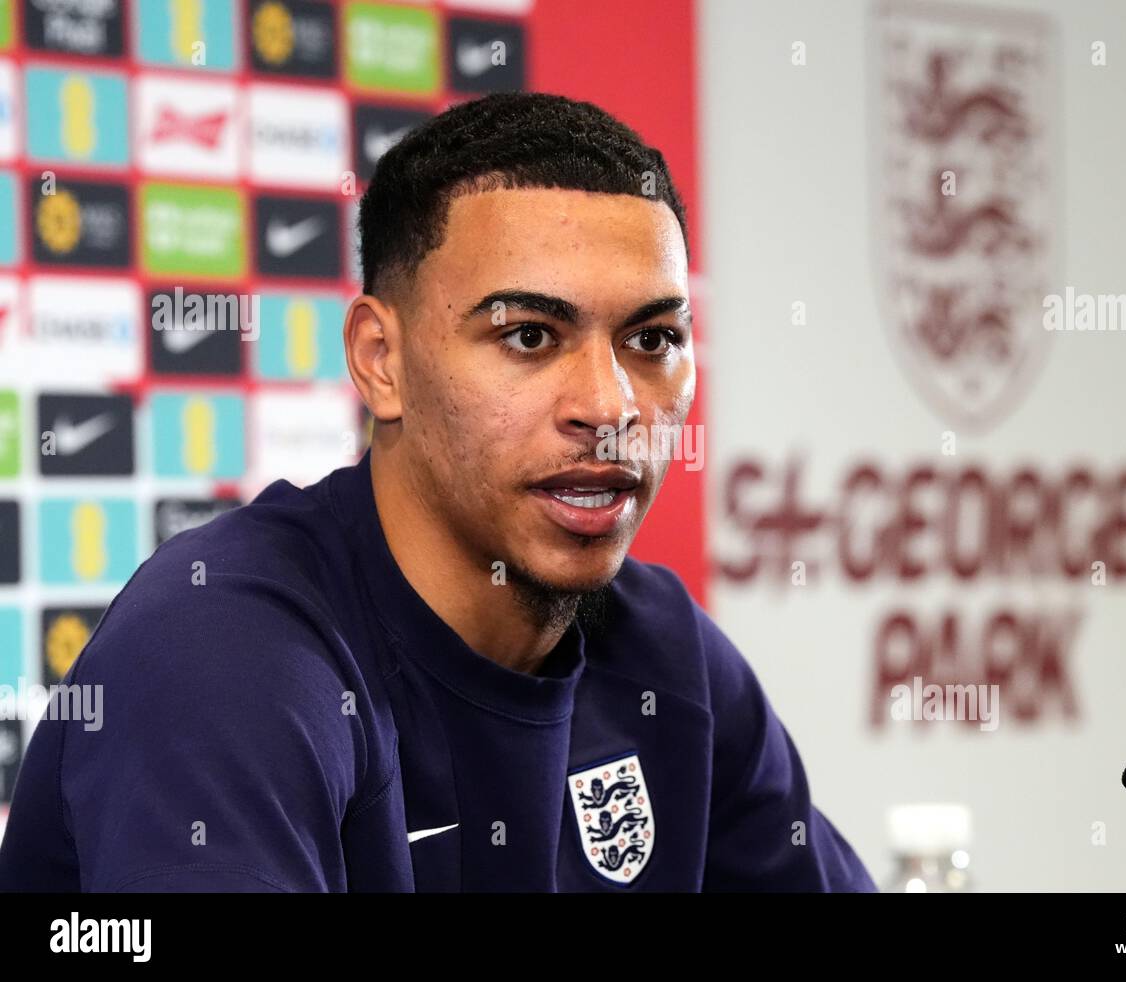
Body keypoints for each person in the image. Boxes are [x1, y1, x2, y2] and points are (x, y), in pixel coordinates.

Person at [0, 92, 874, 892]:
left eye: (652, 340)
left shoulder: (665, 654)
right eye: (530, 336)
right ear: (382, 362)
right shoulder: (221, 654)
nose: (609, 407)